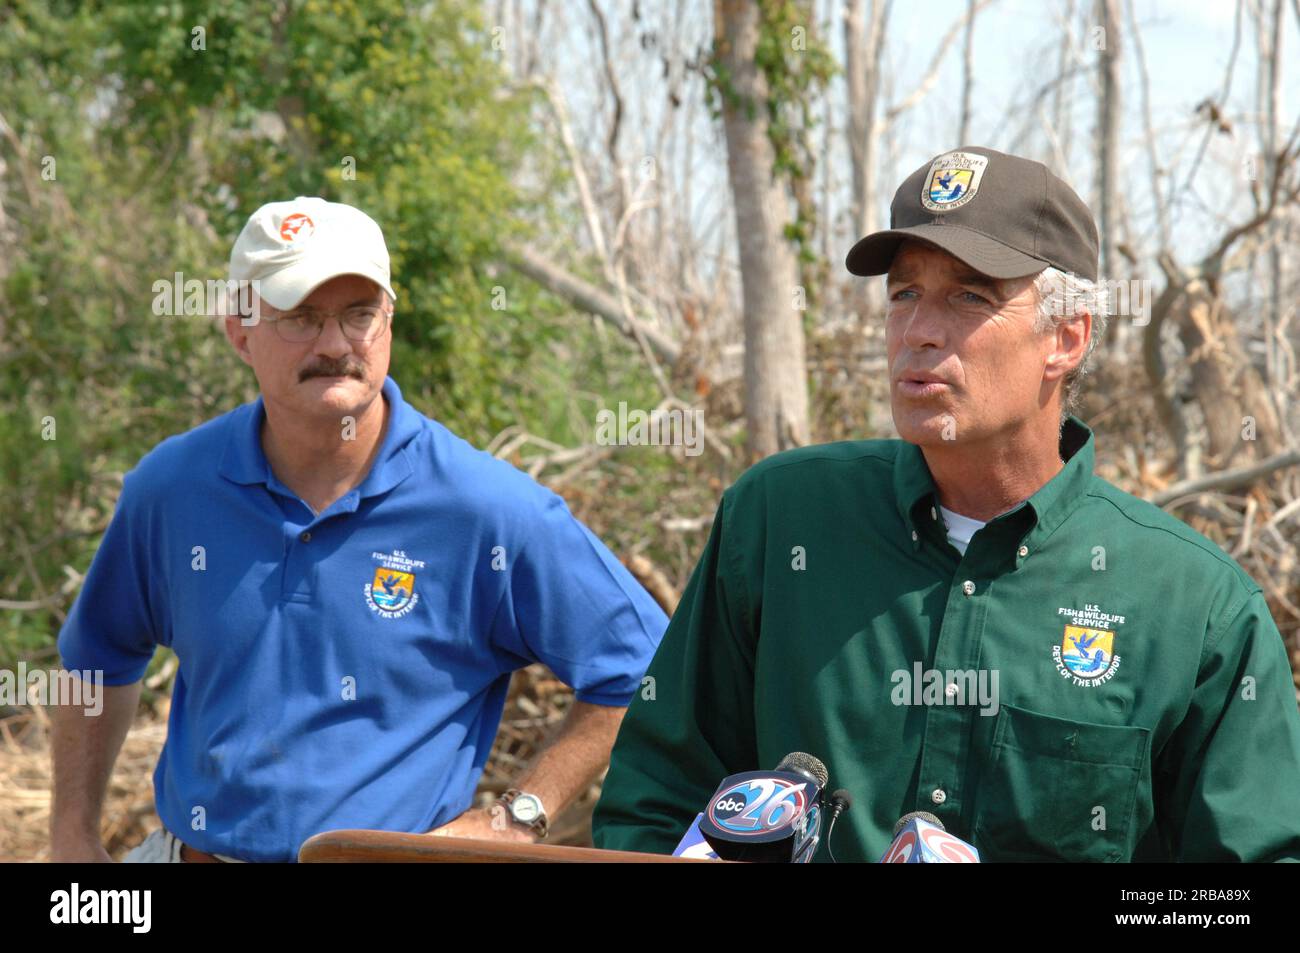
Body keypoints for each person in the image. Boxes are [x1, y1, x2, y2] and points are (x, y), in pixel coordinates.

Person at [592, 147, 1300, 862]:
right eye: (904, 294)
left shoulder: (1196, 606)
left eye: (969, 296)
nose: (918, 331)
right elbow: (652, 803)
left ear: (1067, 336)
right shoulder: (779, 521)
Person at [51, 197, 667, 862]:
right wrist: (71, 837)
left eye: (358, 314)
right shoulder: (171, 490)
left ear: (390, 322)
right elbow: (95, 659)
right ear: (240, 331)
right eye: (302, 317)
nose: (336, 343)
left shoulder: (485, 509)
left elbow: (646, 667)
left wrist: (520, 816)